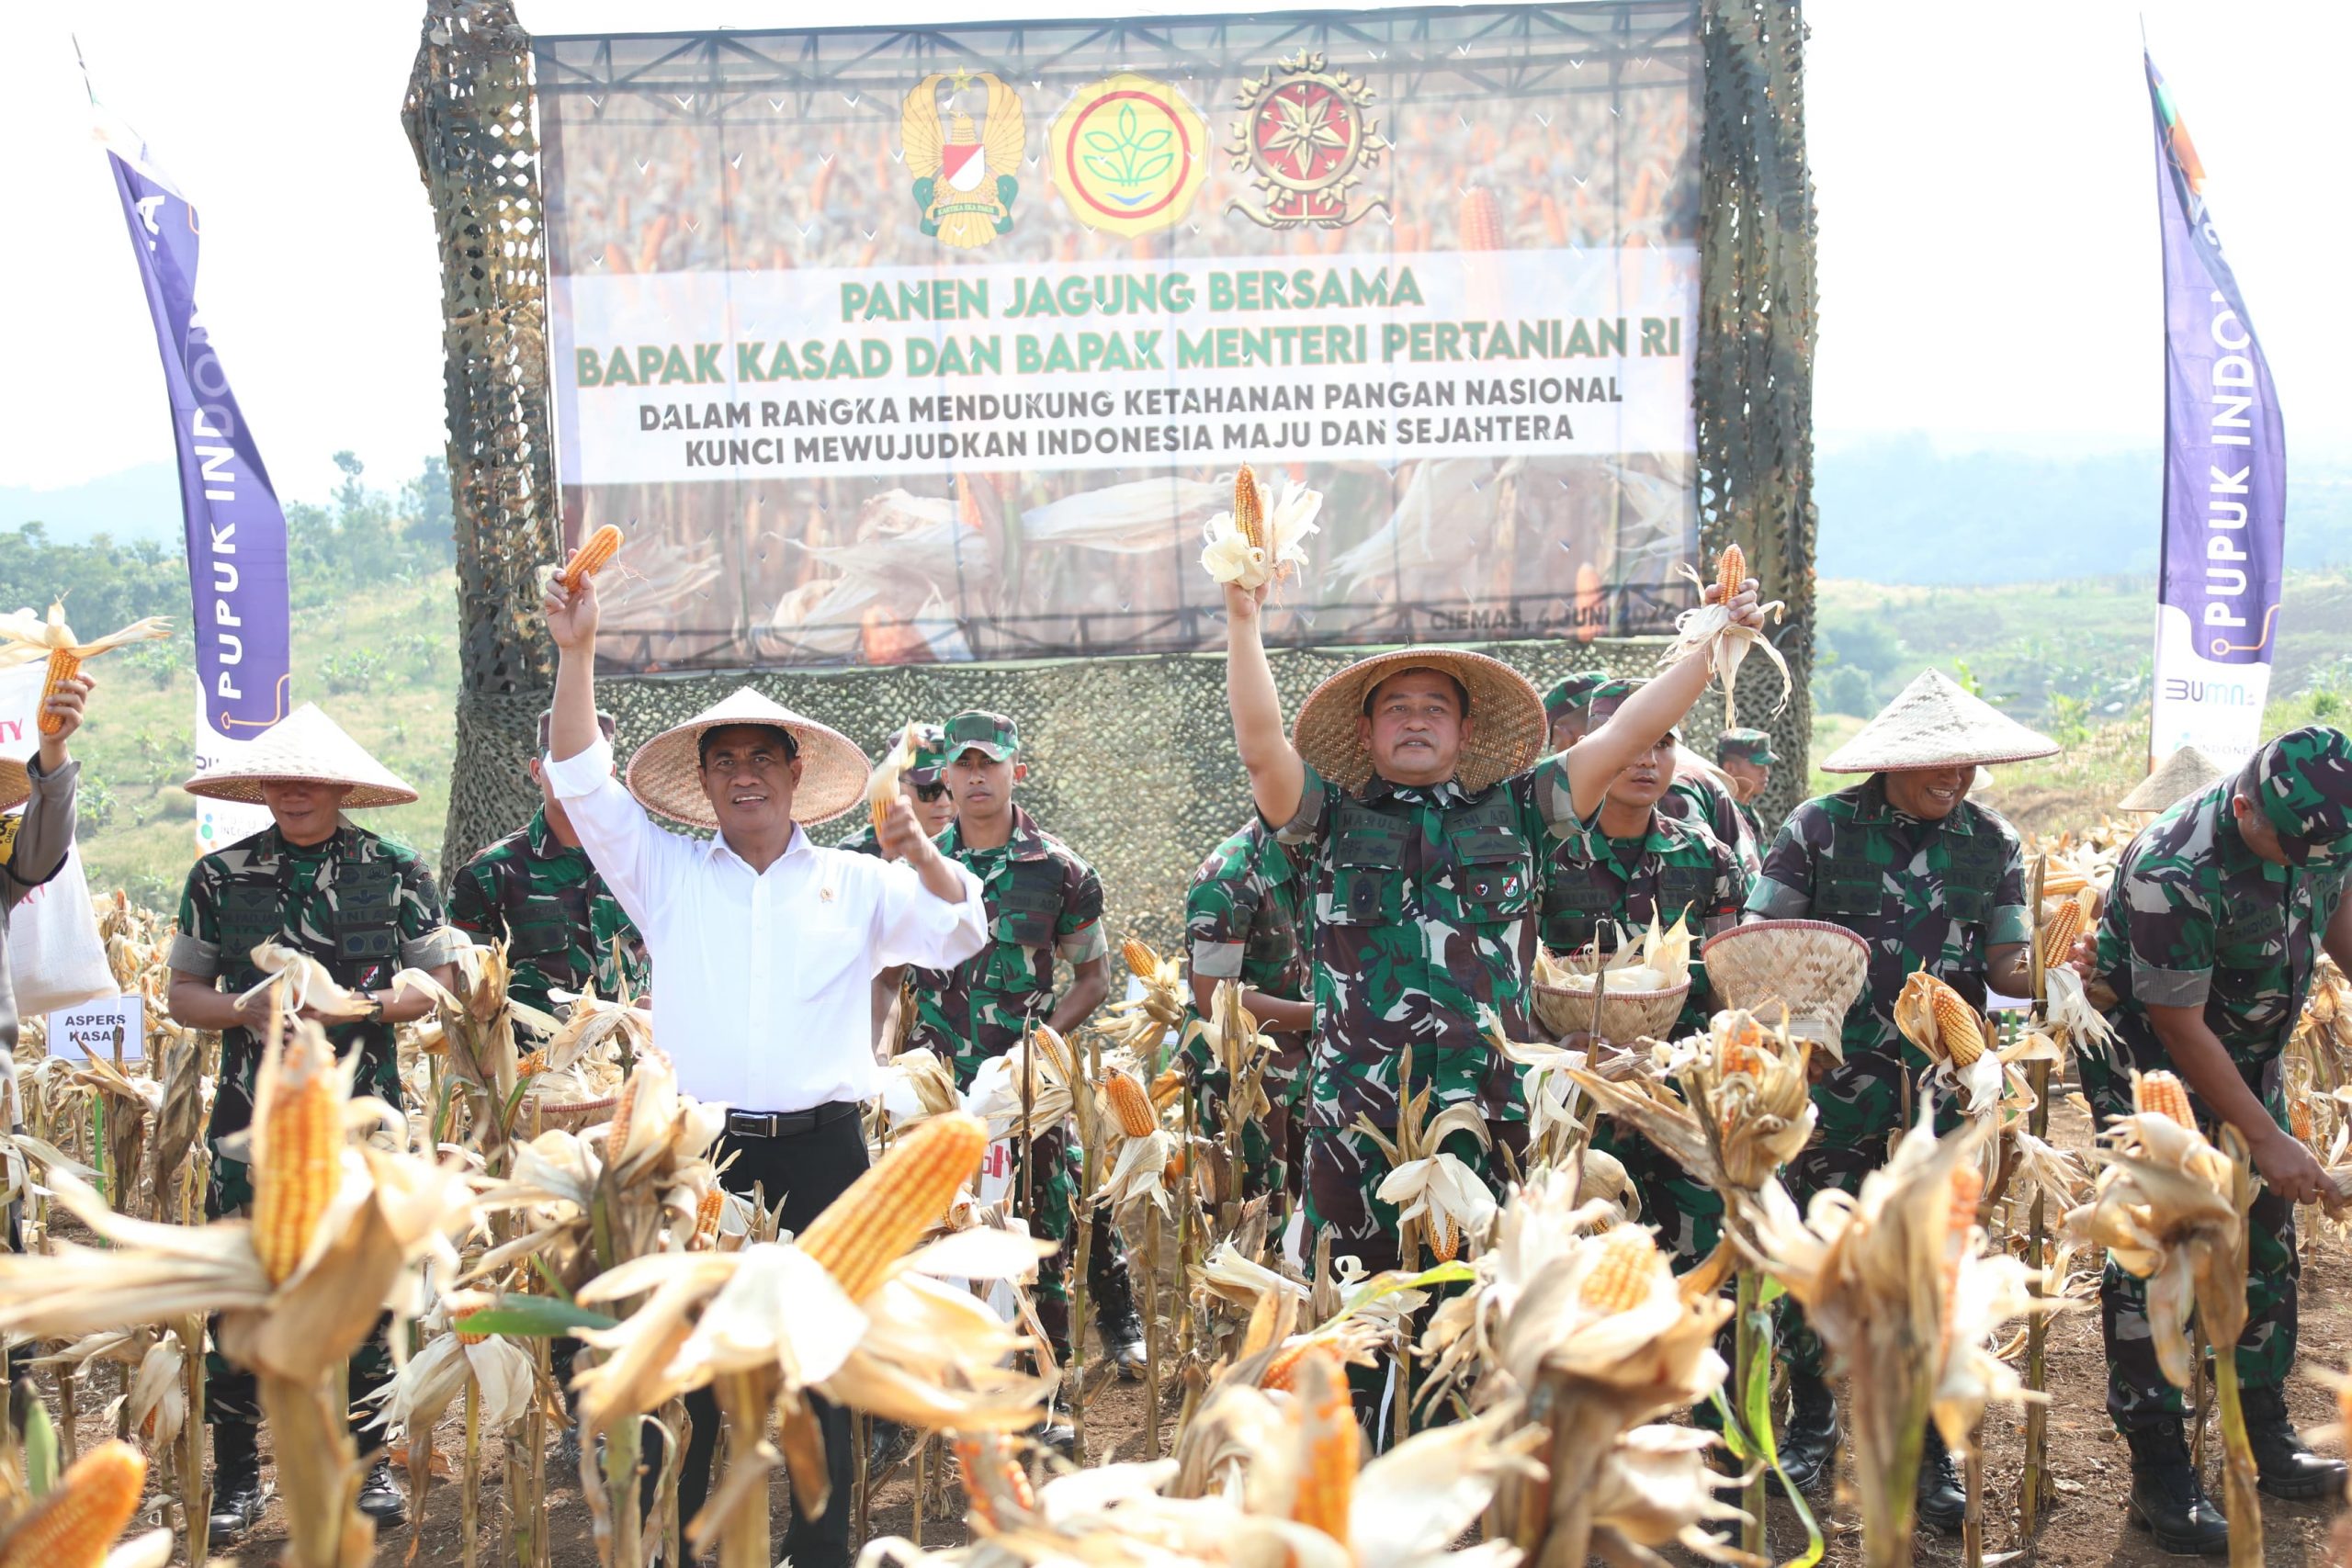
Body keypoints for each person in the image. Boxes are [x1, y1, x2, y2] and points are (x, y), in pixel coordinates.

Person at [1219, 566, 1763, 1411]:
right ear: (1365, 733)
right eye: (1395, 706)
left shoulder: (1523, 809)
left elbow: (1627, 737)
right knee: (1355, 1322)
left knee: (1487, 1323)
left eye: (1434, 705)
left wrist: (1712, 641)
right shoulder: (1322, 819)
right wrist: (1242, 616)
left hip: (1495, 1118)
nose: (1415, 719)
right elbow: (1259, 745)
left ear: (1464, 728)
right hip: (1354, 1126)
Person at [540, 571, 989, 1568]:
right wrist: (578, 652)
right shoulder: (662, 873)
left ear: (795, 774)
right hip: (696, 1161)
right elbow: (580, 780)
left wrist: (919, 849)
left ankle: (821, 1549)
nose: (744, 774)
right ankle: (683, 1547)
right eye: (724, 761)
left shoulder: (859, 881)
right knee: (689, 1368)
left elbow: (962, 930)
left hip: (824, 1156)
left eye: (762, 758)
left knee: (821, 1369)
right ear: (703, 784)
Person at [1742, 667, 2049, 1525]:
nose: (1955, 776)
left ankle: (1927, 1448)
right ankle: (1812, 1420)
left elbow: (2005, 968)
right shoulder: (1820, 829)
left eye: (1967, 763)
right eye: (1936, 763)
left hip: (1938, 1092)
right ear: (1889, 763)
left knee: (1930, 1260)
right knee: (1814, 1253)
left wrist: (2062, 968)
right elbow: (1765, 941)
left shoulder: (1993, 843)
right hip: (1828, 1084)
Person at [165, 704, 462, 1538]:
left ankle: (368, 1469)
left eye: (309, 778)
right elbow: (182, 995)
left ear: (341, 786)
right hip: (249, 1127)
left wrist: (353, 1003)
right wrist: (243, 1009)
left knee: (369, 1286)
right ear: (260, 785)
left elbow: (437, 984)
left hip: (364, 1123)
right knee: (242, 1290)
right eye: (278, 777)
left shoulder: (397, 869)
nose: (292, 791)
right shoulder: (219, 877)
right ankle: (235, 1476)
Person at [2080, 726, 2352, 1554]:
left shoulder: (2323, 827)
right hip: (2153, 1073)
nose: (2309, 862)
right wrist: (2268, 1137)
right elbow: (2181, 1027)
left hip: (2254, 1049)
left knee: (2266, 1236)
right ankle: (2159, 1473)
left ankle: (2264, 1429)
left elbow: (2338, 913)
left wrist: (2270, 1141)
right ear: (2243, 806)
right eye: (2288, 847)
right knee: (2156, 1257)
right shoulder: (2176, 867)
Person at [905, 711, 1148, 1394]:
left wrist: (1038, 1047)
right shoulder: (919, 869)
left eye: (991, 763)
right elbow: (885, 976)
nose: (977, 775)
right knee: (938, 1231)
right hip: (939, 1090)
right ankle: (946, 1383)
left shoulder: (1061, 871)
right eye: (964, 764)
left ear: (1017, 770)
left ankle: (1049, 1384)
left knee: (1045, 1221)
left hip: (1025, 1088)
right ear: (945, 777)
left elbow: (1093, 976)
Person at [1542, 678, 1749, 1267]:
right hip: (1577, 1097)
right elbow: (1506, 973)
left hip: (1685, 1096)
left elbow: (1736, 976)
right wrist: (1552, 1048)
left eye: (1663, 744)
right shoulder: (1545, 856)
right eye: (1627, 742)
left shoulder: (1707, 857)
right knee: (1587, 1276)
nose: (1644, 759)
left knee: (1700, 1272)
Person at [448, 707, 650, 1027]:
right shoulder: (490, 874)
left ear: (610, 772)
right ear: (536, 769)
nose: (575, 775)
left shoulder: (644, 862)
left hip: (633, 1066)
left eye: (588, 764)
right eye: (560, 761)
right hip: (532, 1069)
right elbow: (463, 991)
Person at [1183, 817, 1314, 1208]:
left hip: (1314, 1060)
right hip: (1245, 1073)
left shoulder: (1327, 854)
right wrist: (1328, 1015)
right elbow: (1217, 1000)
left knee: (1329, 1216)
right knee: (1255, 1221)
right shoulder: (1230, 878)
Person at [837, 722, 956, 854]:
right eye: (929, 790)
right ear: (894, 787)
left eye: (952, 787)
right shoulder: (855, 854)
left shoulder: (978, 841)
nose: (944, 802)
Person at [1714, 727, 1780, 844]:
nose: (1766, 772)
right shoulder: (1723, 816)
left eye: (1767, 765)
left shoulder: (1746, 809)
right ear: (1730, 768)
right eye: (1758, 764)